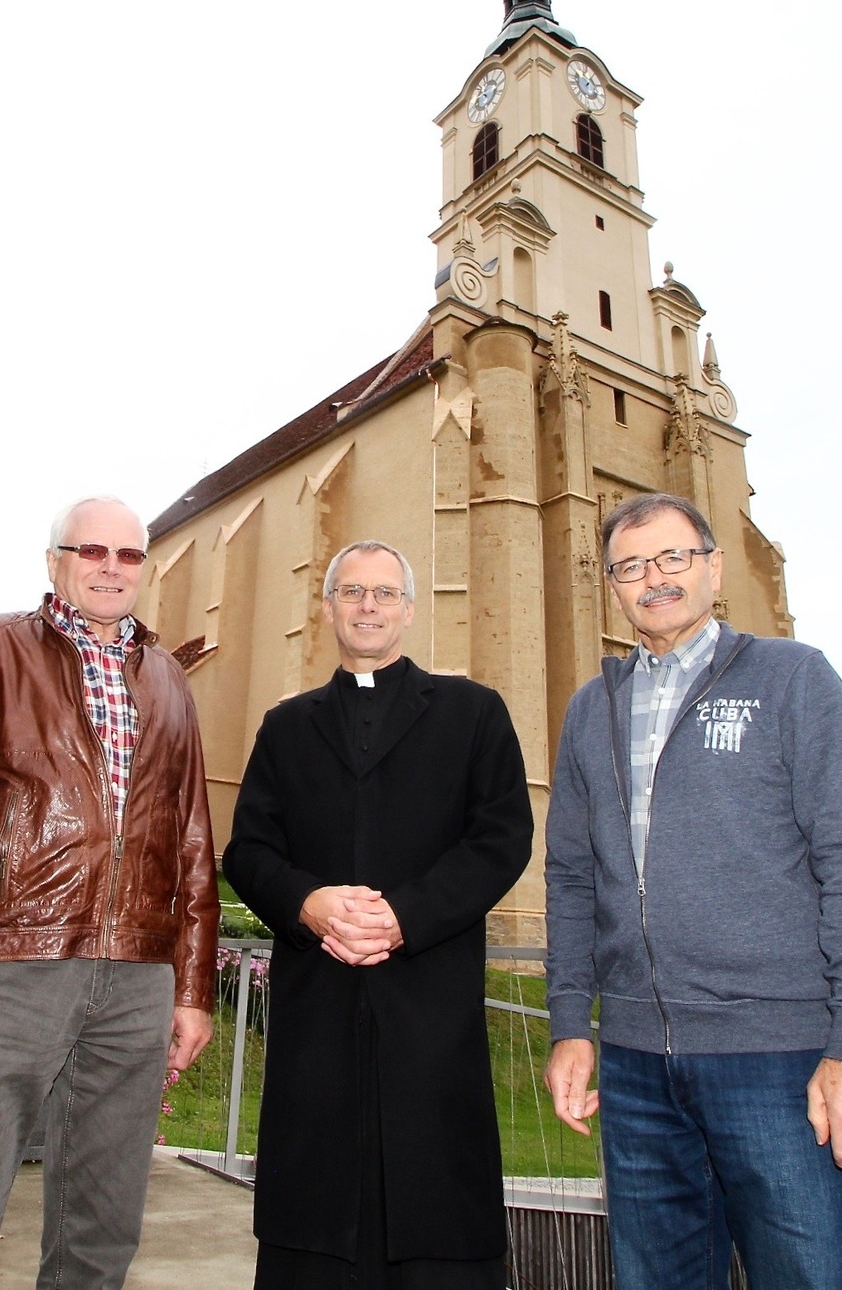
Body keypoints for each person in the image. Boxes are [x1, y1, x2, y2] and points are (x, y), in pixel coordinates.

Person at [542, 493, 842, 1289]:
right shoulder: (590, 709)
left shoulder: (792, 679)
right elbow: (571, 877)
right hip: (637, 1068)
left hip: (778, 1060)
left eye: (674, 557)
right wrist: (572, 1022)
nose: (655, 578)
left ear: (712, 566)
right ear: (612, 585)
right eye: (631, 566)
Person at [0, 496, 221, 1290]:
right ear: (55, 562)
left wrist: (192, 985)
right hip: (13, 965)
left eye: (129, 555)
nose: (111, 566)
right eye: (91, 550)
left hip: (137, 974)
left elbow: (193, 841)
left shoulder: (169, 677)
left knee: (106, 1215)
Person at [226, 540, 534, 1289]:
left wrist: (403, 916)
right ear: (328, 606)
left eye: (385, 593)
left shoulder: (473, 713)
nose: (369, 605)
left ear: (409, 608)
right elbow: (249, 849)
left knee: (437, 1213)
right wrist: (308, 901)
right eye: (353, 591)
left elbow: (502, 837)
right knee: (314, 1226)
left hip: (430, 1009)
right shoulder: (285, 726)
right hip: (319, 1011)